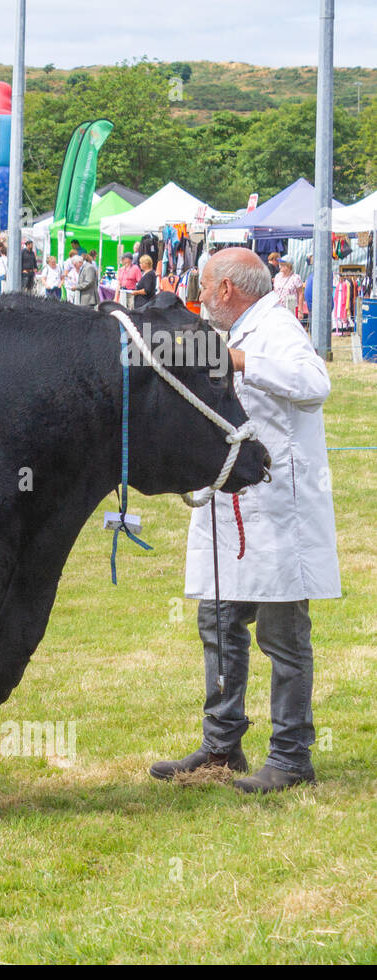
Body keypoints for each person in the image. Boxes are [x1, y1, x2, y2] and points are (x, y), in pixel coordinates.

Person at [150, 247, 339, 793]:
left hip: (277, 511)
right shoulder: (232, 331)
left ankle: (292, 755)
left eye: (205, 287)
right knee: (219, 625)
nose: (202, 296)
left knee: (282, 637)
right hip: (228, 507)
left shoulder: (277, 327)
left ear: (228, 288)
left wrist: (240, 363)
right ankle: (221, 744)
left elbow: (314, 384)